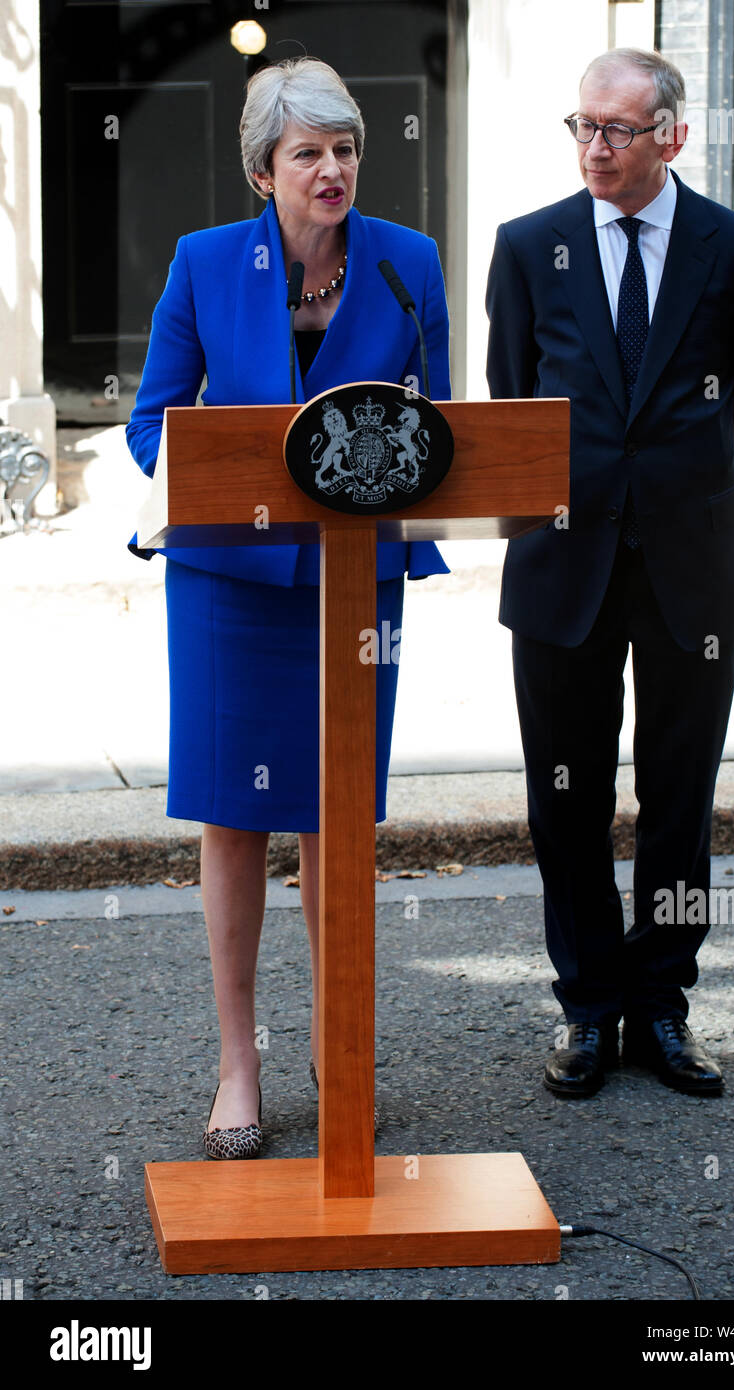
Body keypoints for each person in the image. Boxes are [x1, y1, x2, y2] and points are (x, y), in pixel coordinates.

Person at [126, 57, 451, 1156]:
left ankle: (337, 1039)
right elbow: (150, 424)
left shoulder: (409, 262)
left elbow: (445, 431)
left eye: (345, 148)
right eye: (307, 152)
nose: (331, 169)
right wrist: (232, 472)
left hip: (357, 585)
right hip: (229, 582)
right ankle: (237, 1060)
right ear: (263, 170)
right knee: (234, 817)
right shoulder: (205, 263)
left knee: (335, 819)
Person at [485, 47, 734, 1099]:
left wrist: (685, 500)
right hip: (560, 561)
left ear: (672, 135)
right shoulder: (528, 247)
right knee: (562, 796)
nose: (595, 149)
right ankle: (585, 1005)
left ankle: (659, 1003)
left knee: (677, 797)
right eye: (581, 127)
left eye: (616, 130)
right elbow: (511, 398)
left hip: (689, 569)